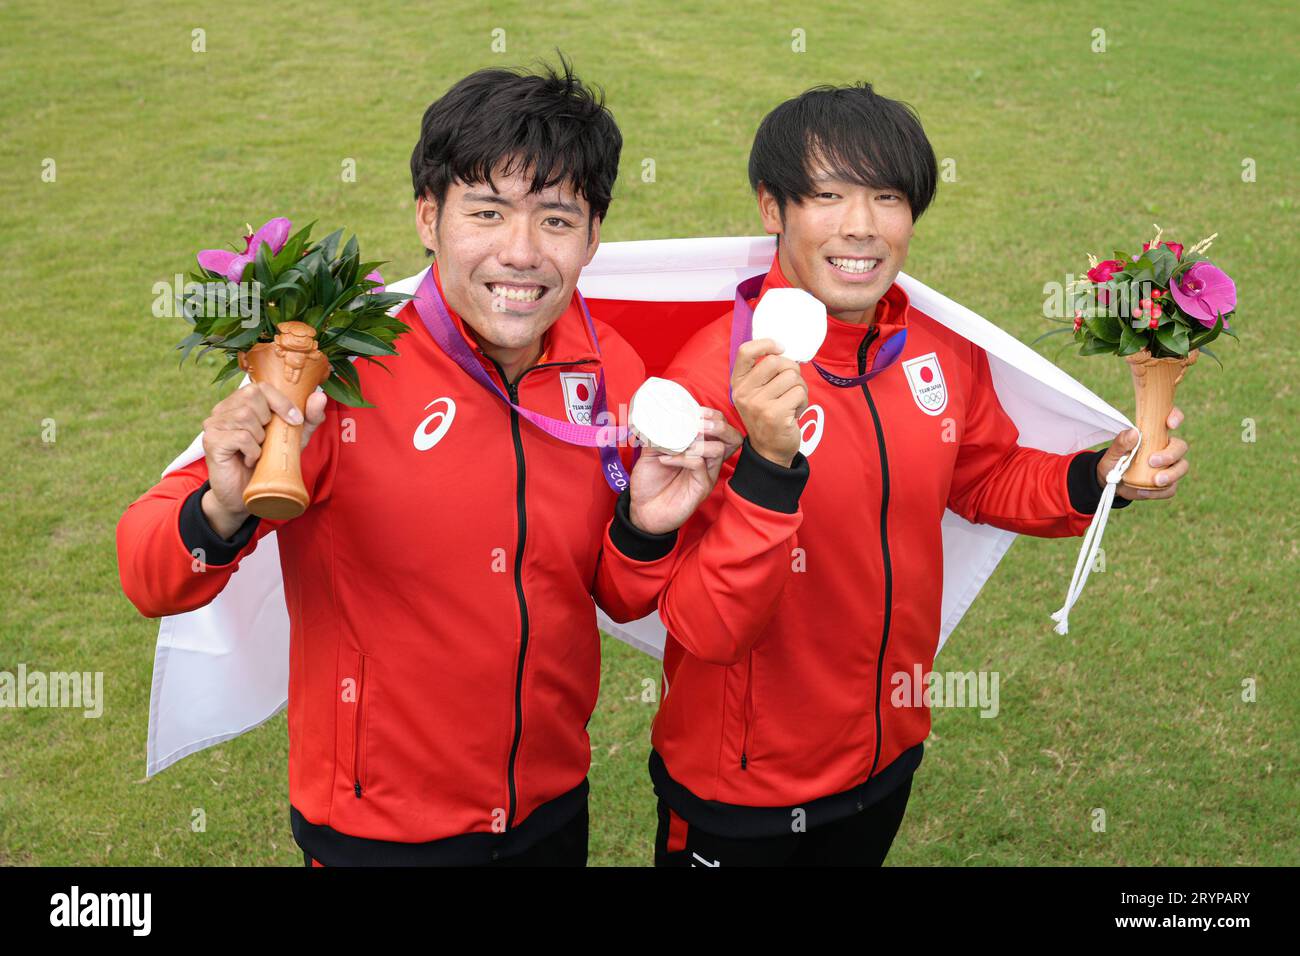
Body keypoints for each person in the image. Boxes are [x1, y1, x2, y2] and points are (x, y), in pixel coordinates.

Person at [117, 60, 746, 866]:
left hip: (549, 807)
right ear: (427, 216)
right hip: (379, 835)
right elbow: (147, 573)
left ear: (594, 236)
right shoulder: (340, 371)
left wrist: (644, 528)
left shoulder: (608, 369)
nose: (520, 253)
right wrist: (221, 510)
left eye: (556, 220)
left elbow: (616, 598)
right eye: (487, 211)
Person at [648, 82, 1190, 866]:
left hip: (885, 756)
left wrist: (1095, 476)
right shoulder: (714, 378)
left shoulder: (937, 344)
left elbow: (980, 478)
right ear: (773, 208)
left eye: (887, 196)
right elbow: (702, 627)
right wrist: (765, 467)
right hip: (742, 797)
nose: (861, 227)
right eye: (828, 196)